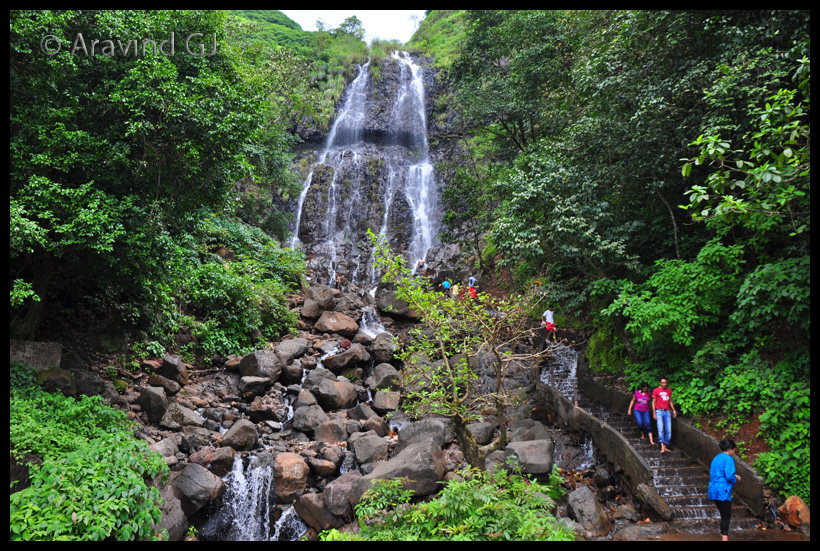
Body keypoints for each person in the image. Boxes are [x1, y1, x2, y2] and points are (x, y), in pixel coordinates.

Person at [709, 439, 742, 541]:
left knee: (723, 513)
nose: (734, 452)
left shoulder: (716, 458)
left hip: (713, 489)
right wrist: (736, 477)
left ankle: (722, 534)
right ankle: (725, 538)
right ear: (730, 449)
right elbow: (729, 475)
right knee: (726, 515)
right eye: (734, 449)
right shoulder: (728, 459)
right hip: (723, 490)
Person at [652, 377, 677, 453]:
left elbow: (670, 401)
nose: (664, 384)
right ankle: (662, 446)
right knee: (660, 428)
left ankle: (665, 446)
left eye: (665, 382)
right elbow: (653, 402)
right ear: (660, 382)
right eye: (662, 382)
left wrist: (674, 410)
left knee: (668, 430)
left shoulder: (669, 390)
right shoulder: (656, 390)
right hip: (659, 411)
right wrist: (654, 413)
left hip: (667, 411)